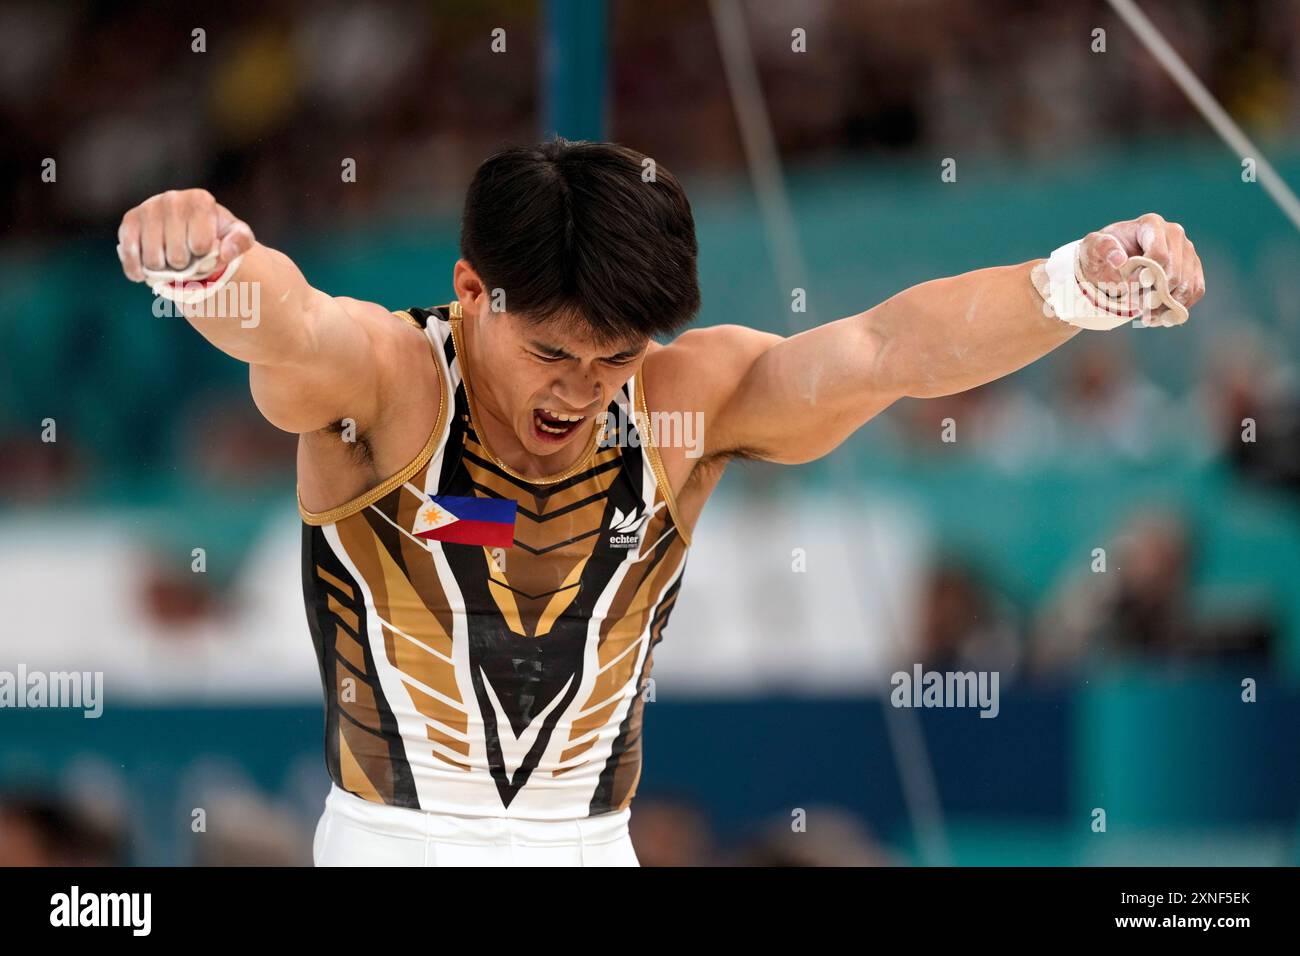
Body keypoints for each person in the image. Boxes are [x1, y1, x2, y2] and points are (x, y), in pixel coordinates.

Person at [115, 138, 1205, 866]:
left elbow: (885, 349)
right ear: (468, 292)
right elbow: (290, 324)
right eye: (551, 352)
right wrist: (209, 265)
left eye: (614, 358)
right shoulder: (388, 388)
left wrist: (1070, 284)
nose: (581, 391)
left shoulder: (679, 409)